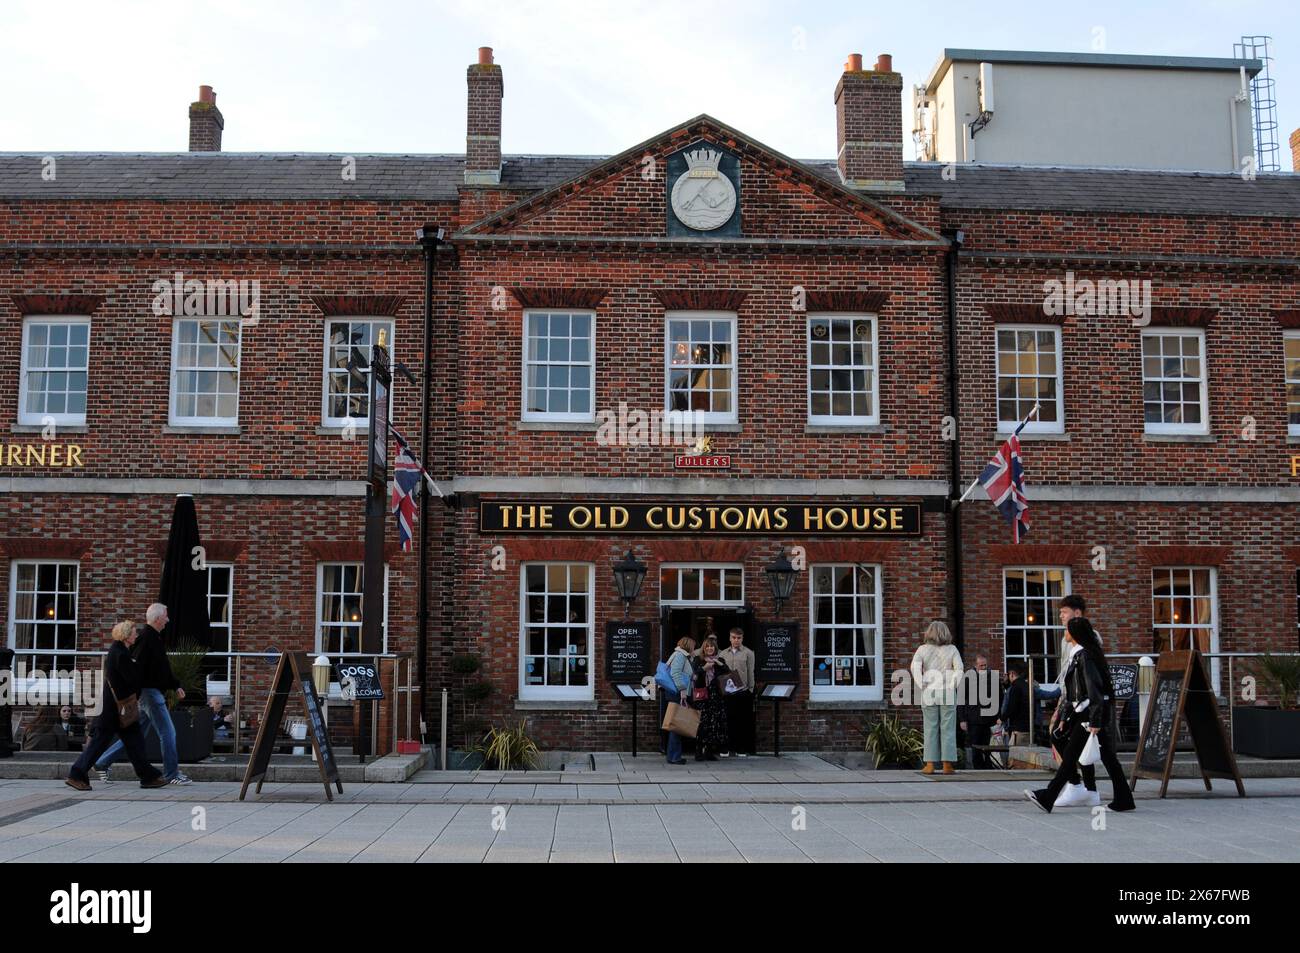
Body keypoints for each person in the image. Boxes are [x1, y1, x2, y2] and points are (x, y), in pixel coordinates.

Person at [1025, 616, 1136, 814]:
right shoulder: (1080, 654)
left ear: (1075, 634)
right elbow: (1076, 691)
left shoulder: (1085, 656)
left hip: (1088, 714)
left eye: (1067, 630)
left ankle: (1048, 796)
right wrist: (1068, 717)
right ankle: (1124, 798)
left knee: (1070, 757)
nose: (1064, 633)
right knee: (1108, 758)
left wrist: (1095, 720)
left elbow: (1094, 690)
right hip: (1082, 712)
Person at [92, 603, 192, 785]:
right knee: (168, 732)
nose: (168, 620)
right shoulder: (147, 638)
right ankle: (171, 774)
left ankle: (102, 761)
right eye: (166, 617)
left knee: (134, 735)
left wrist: (175, 684)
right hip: (150, 693)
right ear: (157, 618)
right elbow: (137, 669)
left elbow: (161, 668)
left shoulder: (152, 637)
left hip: (149, 692)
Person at [66, 621, 167, 791]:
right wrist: (141, 668)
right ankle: (76, 774)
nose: (136, 635)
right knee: (99, 743)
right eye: (134, 633)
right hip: (113, 710)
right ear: (127, 635)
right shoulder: (119, 653)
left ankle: (148, 776)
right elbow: (133, 680)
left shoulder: (120, 651)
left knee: (135, 742)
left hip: (120, 708)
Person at [1050, 594, 1104, 808]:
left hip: (1085, 704)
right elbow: (1067, 677)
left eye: (1064, 612)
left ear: (1078, 613)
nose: (1061, 616)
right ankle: (1085, 790)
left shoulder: (1087, 639)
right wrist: (1061, 706)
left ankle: (1077, 788)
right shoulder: (1068, 641)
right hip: (1073, 702)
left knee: (1069, 742)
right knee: (1073, 744)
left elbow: (1089, 678)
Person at [910, 620, 963, 774]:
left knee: (930, 727)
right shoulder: (952, 649)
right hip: (946, 691)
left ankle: (930, 764)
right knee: (948, 727)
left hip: (929, 691)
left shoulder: (922, 649)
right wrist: (952, 685)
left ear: (929, 633)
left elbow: (914, 668)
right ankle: (947, 764)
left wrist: (922, 685)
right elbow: (959, 669)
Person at [691, 637, 731, 761]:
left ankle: (709, 751)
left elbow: (728, 673)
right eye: (707, 646)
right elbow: (693, 674)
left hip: (716, 696)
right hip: (702, 695)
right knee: (702, 723)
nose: (709, 648)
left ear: (715, 648)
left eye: (712, 646)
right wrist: (704, 668)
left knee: (714, 723)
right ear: (704, 648)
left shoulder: (720, 660)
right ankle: (698, 751)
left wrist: (720, 663)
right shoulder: (698, 660)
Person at [720, 627, 756, 758]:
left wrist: (751, 689)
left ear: (742, 638)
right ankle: (727, 748)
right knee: (728, 720)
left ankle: (741, 748)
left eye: (739, 638)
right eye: (734, 637)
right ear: (730, 638)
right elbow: (720, 673)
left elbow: (751, 671)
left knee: (742, 721)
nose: (736, 640)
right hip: (728, 691)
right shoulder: (723, 654)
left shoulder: (748, 653)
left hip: (743, 691)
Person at [959, 654, 998, 768]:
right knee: (975, 747)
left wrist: (998, 716)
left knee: (987, 747)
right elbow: (960, 699)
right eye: (981, 666)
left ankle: (987, 767)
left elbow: (999, 697)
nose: (983, 668)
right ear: (975, 666)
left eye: (985, 665)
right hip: (973, 719)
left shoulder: (992, 677)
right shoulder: (967, 678)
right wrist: (962, 719)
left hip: (988, 719)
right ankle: (978, 769)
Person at [664, 637, 696, 766]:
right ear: (688, 645)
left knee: (675, 726)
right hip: (677, 694)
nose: (694, 647)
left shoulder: (682, 655)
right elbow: (675, 673)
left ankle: (673, 755)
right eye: (693, 645)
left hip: (677, 693)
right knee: (676, 726)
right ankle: (674, 756)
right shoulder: (680, 656)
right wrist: (682, 690)